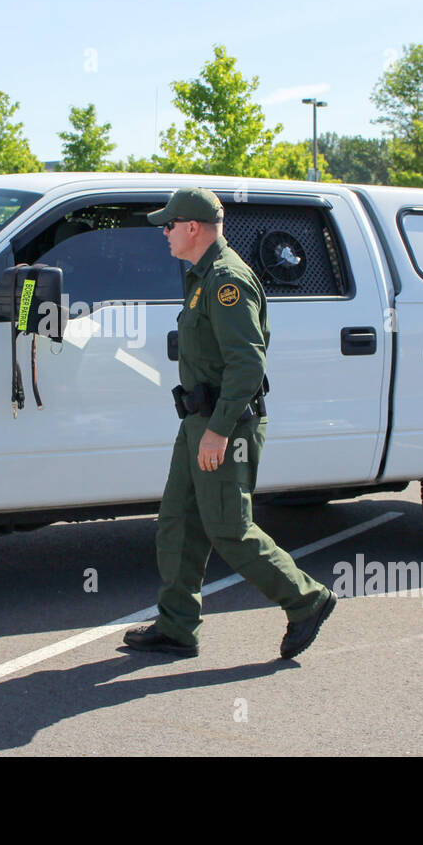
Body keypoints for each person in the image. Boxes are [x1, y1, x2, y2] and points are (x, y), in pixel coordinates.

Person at [123, 186, 336, 660]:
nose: (165, 231)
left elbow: (247, 365)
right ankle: (177, 626)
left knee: (229, 529)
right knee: (178, 522)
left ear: (193, 228)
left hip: (227, 424)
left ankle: (307, 600)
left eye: (170, 224)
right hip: (199, 419)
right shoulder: (201, 275)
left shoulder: (227, 281)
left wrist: (219, 430)